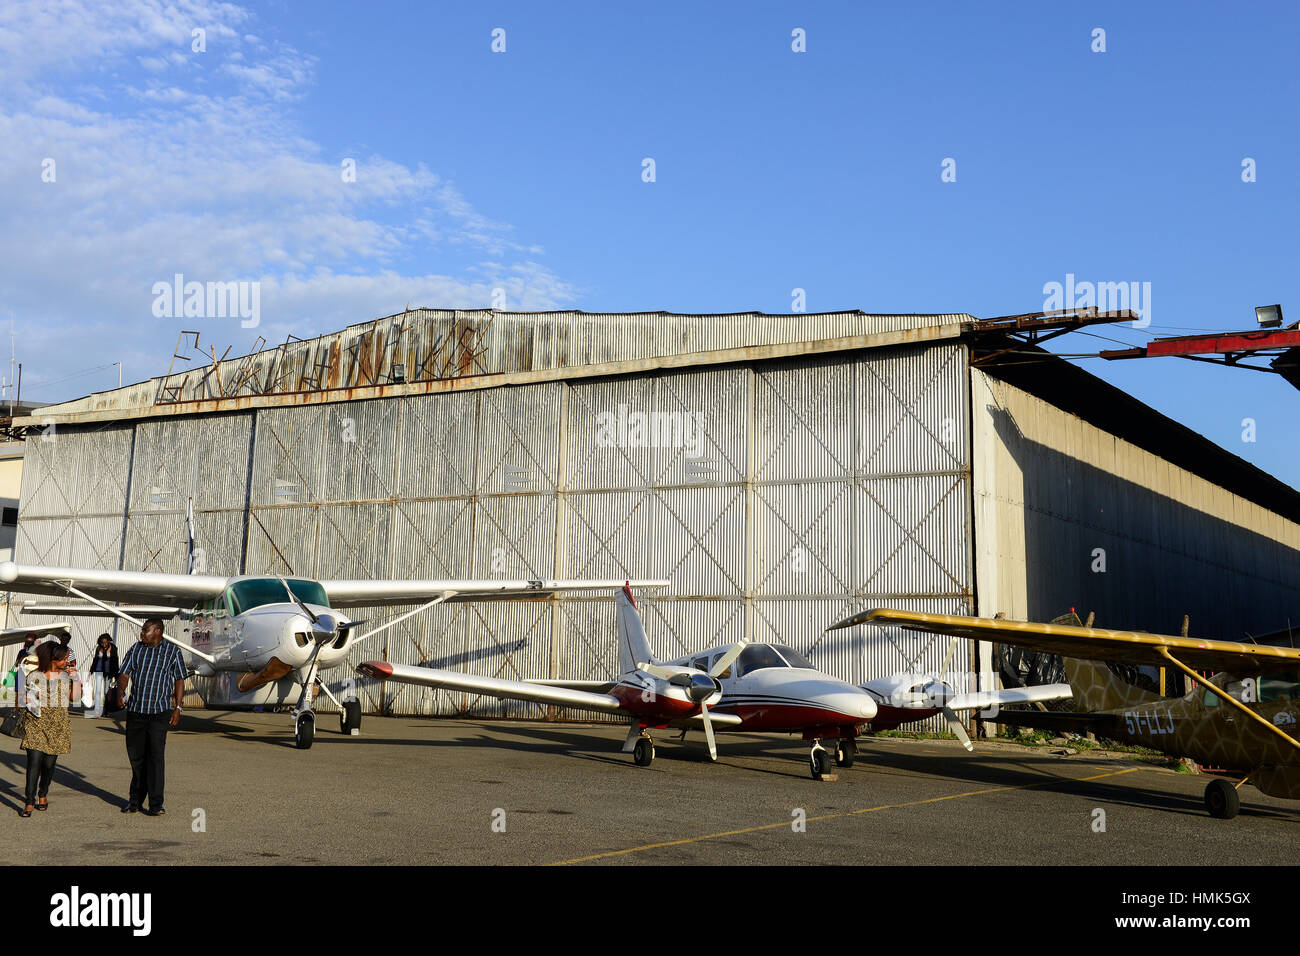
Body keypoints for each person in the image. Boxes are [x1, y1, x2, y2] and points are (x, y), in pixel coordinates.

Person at [116, 619, 186, 816]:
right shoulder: (136, 649)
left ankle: (156, 804)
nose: (142, 632)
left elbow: (179, 679)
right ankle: (135, 801)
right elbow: (124, 674)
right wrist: (121, 691)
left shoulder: (172, 651)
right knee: (137, 758)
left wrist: (178, 707)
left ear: (158, 631)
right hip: (136, 712)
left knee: (155, 758)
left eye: (146, 630)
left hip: (159, 714)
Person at [18, 641, 77, 817]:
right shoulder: (34, 675)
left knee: (49, 765)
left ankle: (42, 793)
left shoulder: (66, 676)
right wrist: (30, 697)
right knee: (34, 763)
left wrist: (76, 679)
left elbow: (75, 698)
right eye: (65, 658)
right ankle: (29, 801)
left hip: (58, 725)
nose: (68, 661)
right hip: (36, 723)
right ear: (54, 659)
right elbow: (23, 699)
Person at [85, 633, 119, 718]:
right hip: (99, 671)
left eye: (105, 642)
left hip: (109, 673)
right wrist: (90, 672)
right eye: (102, 642)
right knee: (98, 691)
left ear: (108, 641)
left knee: (107, 692)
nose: (103, 644)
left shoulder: (113, 648)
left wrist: (116, 674)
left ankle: (106, 711)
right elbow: (95, 660)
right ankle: (96, 711)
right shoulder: (98, 648)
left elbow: (115, 661)